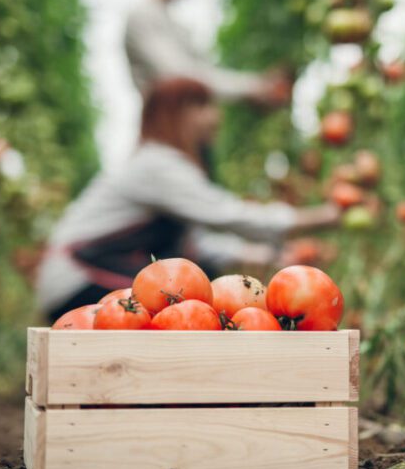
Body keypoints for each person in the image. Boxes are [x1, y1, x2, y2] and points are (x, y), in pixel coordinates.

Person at [36, 78, 338, 321]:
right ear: (177, 114)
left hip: (83, 276)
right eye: (203, 105)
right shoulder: (158, 165)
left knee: (195, 294)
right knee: (190, 302)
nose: (215, 117)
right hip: (78, 280)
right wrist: (320, 216)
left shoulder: (160, 165)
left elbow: (198, 245)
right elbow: (227, 214)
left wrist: (268, 256)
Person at [124, 0, 288, 103]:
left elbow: (202, 72)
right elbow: (181, 76)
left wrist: (257, 85)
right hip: (162, 129)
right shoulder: (142, 16)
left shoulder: (176, 26)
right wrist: (254, 87)